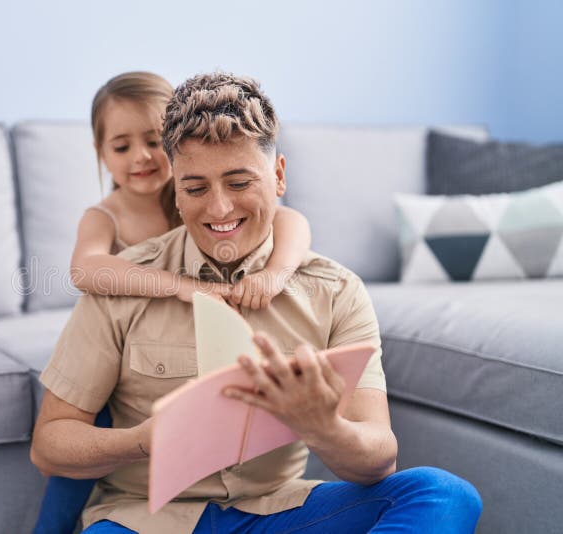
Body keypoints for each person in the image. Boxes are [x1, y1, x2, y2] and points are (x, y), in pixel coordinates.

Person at [31, 72, 482, 533]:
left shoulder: (333, 290)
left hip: (274, 511)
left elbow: (377, 456)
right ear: (177, 191)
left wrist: (323, 426)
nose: (220, 209)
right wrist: (144, 442)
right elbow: (49, 446)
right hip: (145, 519)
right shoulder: (126, 280)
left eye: (239, 182)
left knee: (443, 496)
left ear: (279, 175)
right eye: (196, 189)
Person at [71, 71, 312, 309]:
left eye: (154, 142)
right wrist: (180, 286)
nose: (141, 156)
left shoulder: (198, 201)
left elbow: (293, 221)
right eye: (122, 147)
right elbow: (83, 269)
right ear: (100, 152)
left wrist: (275, 274)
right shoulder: (104, 217)